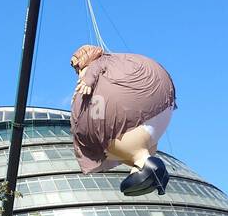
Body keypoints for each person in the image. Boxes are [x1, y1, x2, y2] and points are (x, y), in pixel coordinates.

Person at [69, 45, 177, 197]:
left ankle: (145, 164)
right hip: (160, 110)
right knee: (138, 150)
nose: (78, 74)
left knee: (132, 149)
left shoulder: (98, 65)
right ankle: (149, 169)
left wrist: (87, 81)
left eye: (78, 68)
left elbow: (95, 69)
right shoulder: (119, 62)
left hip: (129, 118)